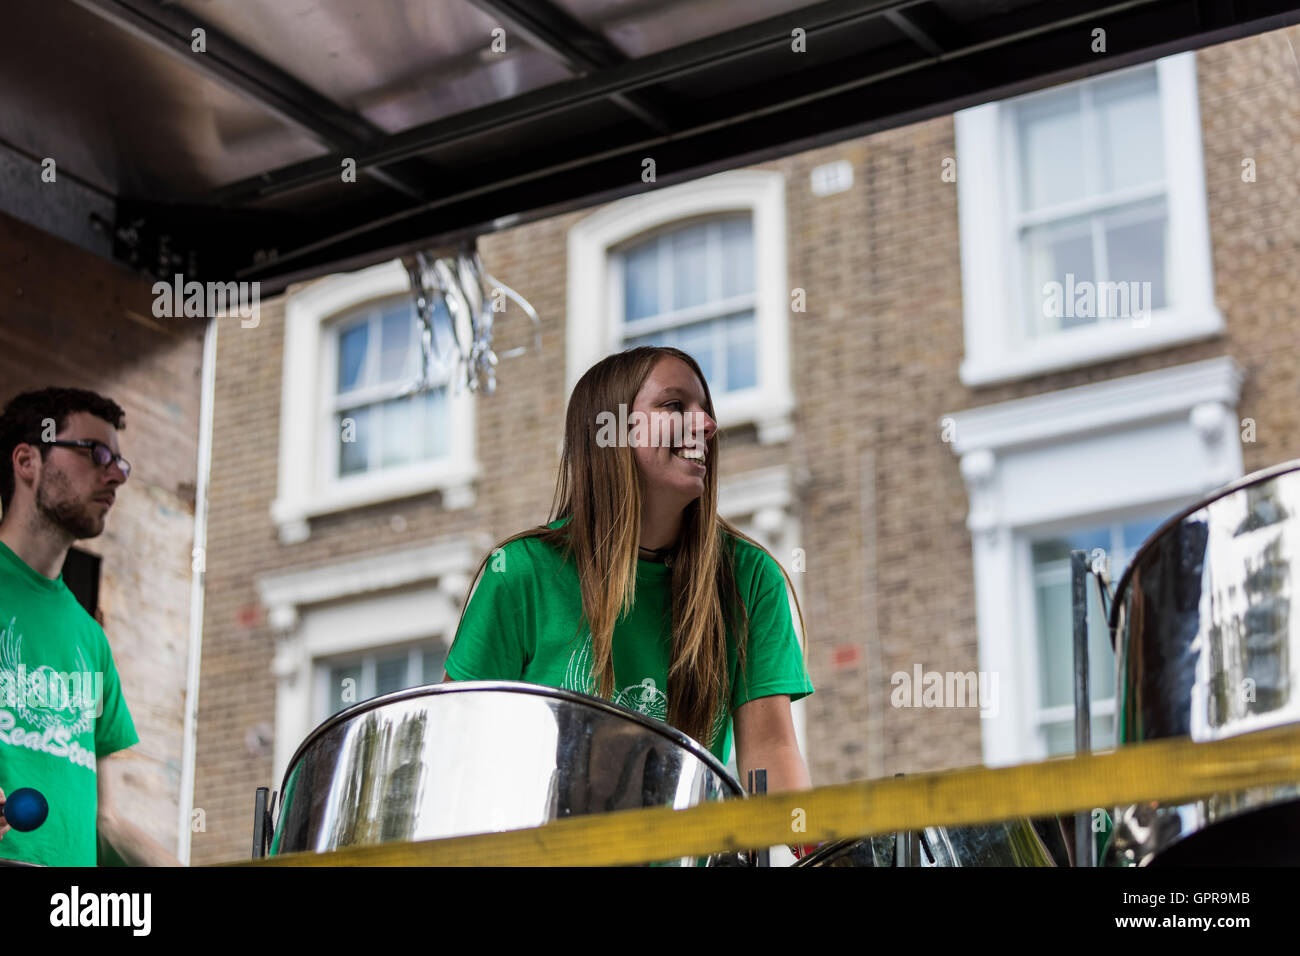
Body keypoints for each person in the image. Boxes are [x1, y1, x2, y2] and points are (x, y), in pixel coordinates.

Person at [442, 346, 817, 858]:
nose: (706, 425)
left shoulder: (749, 579)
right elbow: (454, 747)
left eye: (706, 410)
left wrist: (813, 844)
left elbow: (768, 755)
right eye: (674, 406)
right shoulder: (520, 573)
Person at [0, 387, 180, 866]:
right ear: (27, 461)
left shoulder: (90, 639)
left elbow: (105, 824)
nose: (116, 475)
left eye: (121, 464)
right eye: (96, 454)